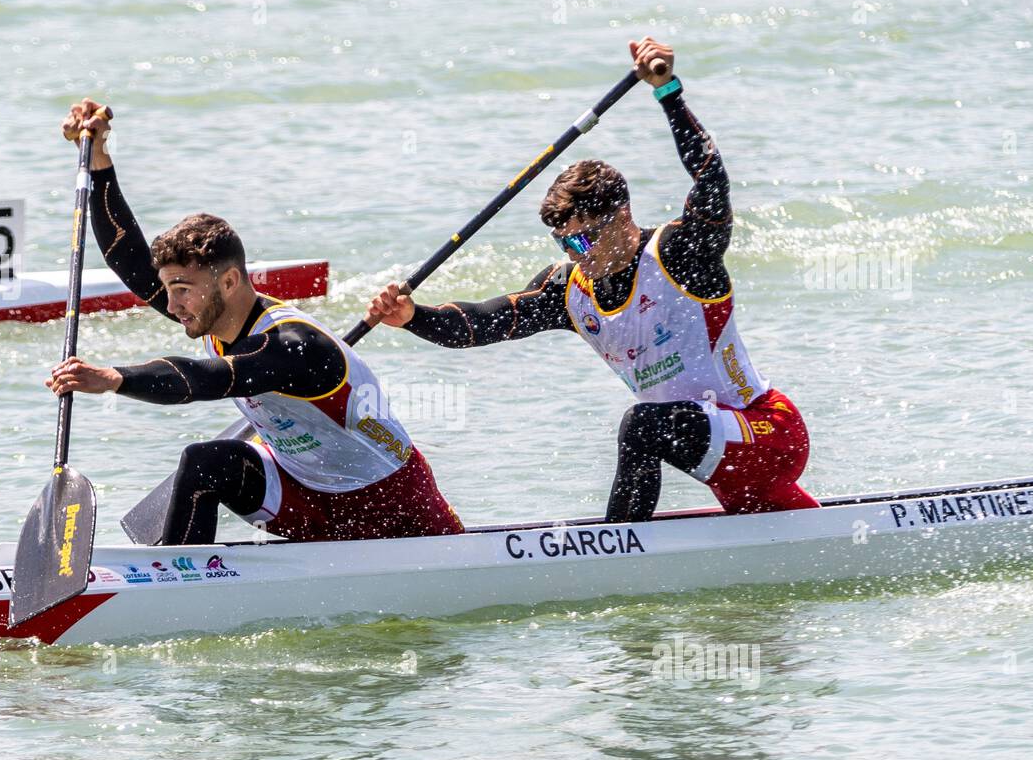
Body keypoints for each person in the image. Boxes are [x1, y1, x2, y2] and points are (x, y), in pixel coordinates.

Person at [366, 37, 817, 522]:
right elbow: (481, 323)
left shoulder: (680, 254)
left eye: (584, 239)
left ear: (622, 215)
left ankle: (620, 549)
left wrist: (669, 94)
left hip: (767, 433)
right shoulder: (568, 292)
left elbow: (710, 180)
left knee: (640, 426)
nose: (577, 255)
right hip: (717, 458)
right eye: (565, 244)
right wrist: (411, 316)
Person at [46, 99, 462, 544]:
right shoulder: (204, 309)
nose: (171, 302)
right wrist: (98, 159)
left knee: (211, 451)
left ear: (228, 281)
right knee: (205, 463)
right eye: (168, 288)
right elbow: (127, 258)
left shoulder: (294, 344)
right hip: (302, 494)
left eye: (182, 288)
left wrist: (113, 378)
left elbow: (204, 380)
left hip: (388, 505)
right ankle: (181, 579)